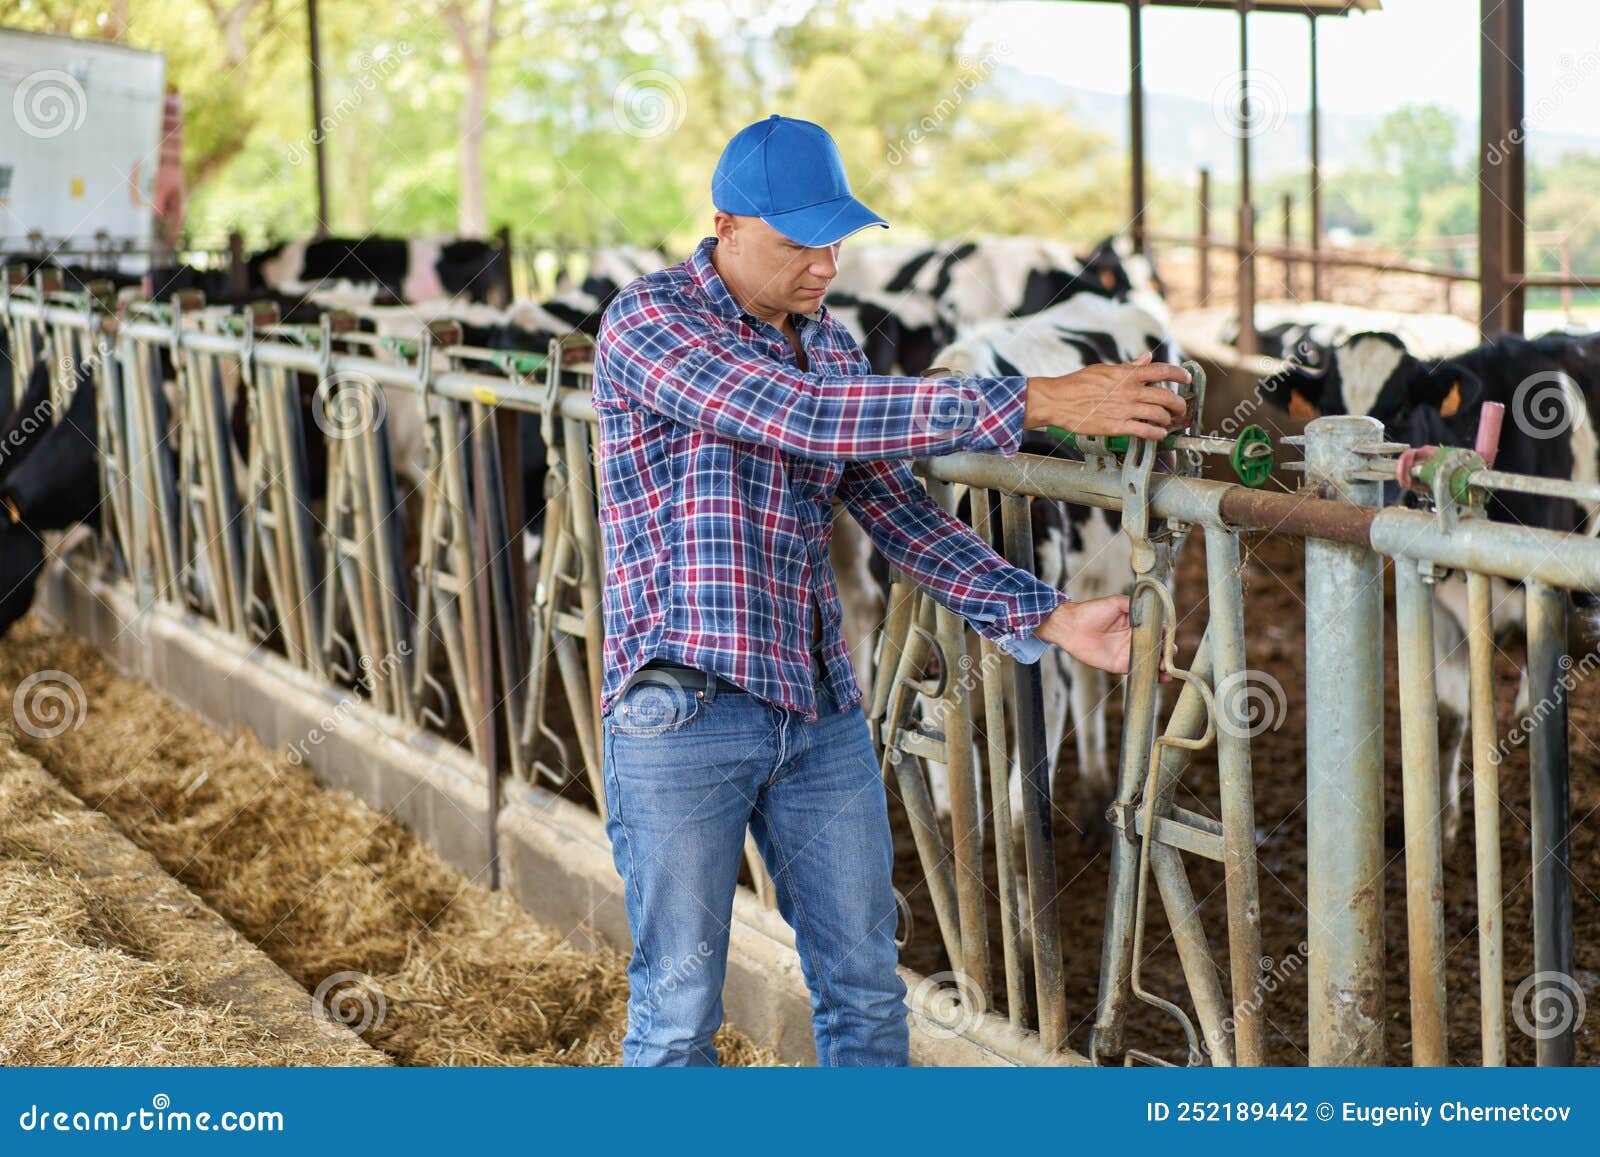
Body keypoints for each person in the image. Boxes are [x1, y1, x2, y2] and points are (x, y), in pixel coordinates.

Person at [591, 114, 1188, 1066]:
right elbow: (798, 417)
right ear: (726, 225)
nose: (826, 266)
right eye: (799, 243)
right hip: (683, 712)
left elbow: (899, 516)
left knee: (868, 993)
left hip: (821, 712)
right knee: (676, 1016)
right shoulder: (650, 321)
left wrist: (1050, 613)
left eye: (834, 239)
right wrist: (1034, 399)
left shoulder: (828, 346)